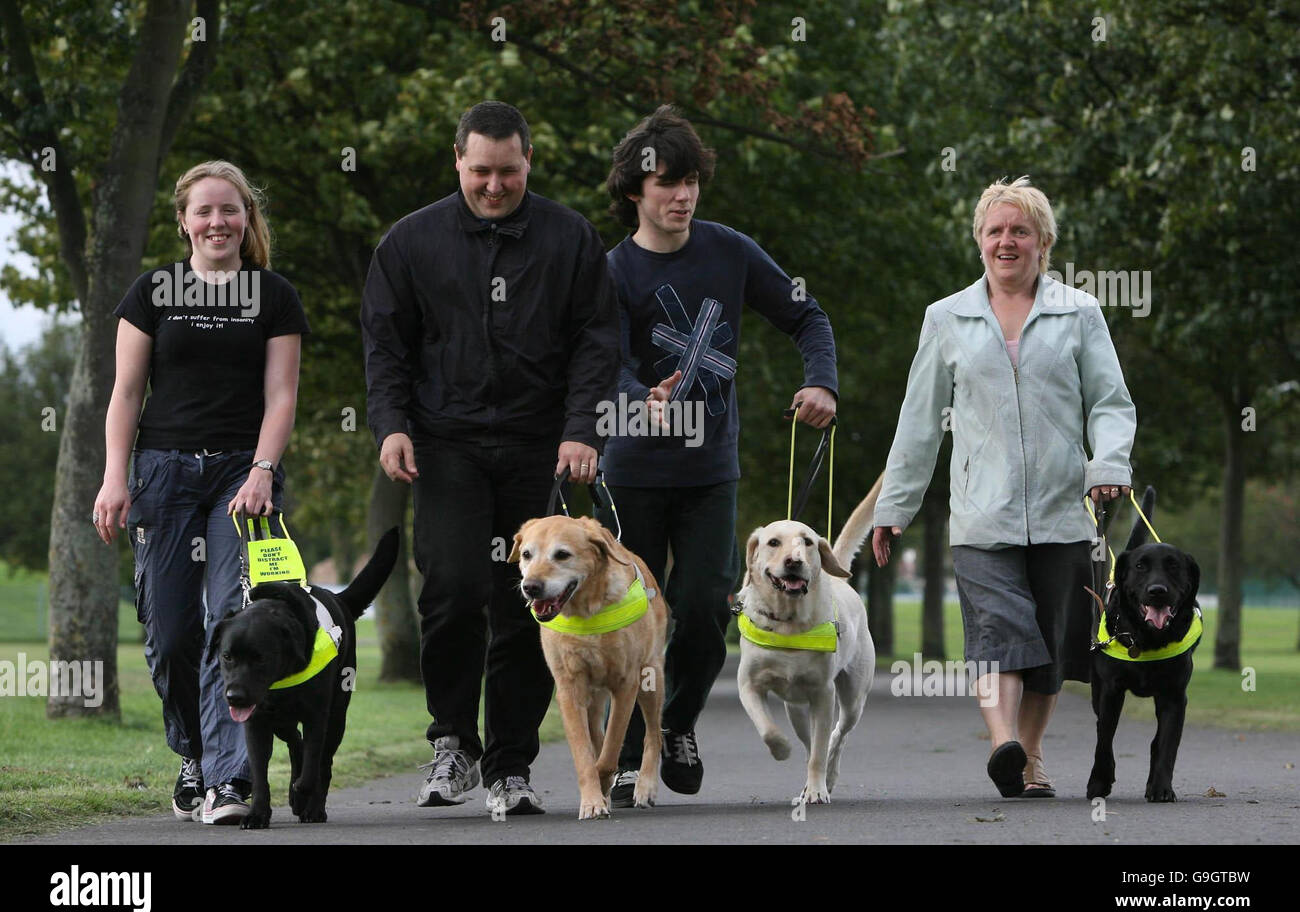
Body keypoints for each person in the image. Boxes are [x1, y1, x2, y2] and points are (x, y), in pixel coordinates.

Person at [362, 101, 619, 816]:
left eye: (508, 171)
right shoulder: (409, 243)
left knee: (534, 600)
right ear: (458, 161)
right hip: (446, 442)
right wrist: (391, 425)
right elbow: (386, 346)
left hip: (543, 444)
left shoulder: (570, 239)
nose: (495, 185)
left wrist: (581, 429)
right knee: (450, 588)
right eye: (481, 171)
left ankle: (510, 763)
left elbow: (598, 340)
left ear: (528, 162)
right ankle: (453, 743)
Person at [598, 106, 838, 805]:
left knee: (703, 604)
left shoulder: (730, 251)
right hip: (632, 471)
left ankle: (674, 724)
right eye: (667, 183)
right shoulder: (610, 270)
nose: (683, 195)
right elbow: (599, 361)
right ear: (635, 193)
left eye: (692, 181)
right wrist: (637, 394)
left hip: (709, 470)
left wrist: (819, 379)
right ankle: (622, 748)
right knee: (632, 620)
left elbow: (806, 314)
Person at [870, 176, 1136, 798]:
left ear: (1044, 242)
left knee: (1049, 648)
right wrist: (895, 507)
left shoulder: (1080, 312)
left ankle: (1032, 756)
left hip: (1063, 513)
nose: (1007, 241)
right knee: (998, 632)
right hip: (980, 518)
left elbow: (1110, 403)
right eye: (995, 231)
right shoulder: (947, 318)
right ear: (979, 242)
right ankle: (1002, 744)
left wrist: (1109, 466)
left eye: (1020, 231)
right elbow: (917, 423)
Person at [93, 160, 309, 824]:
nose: (218, 222)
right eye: (205, 211)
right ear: (184, 220)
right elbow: (127, 393)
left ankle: (227, 780)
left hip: (241, 478)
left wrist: (264, 468)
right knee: (170, 627)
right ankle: (190, 752)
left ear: (247, 219)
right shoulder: (152, 293)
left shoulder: (273, 295)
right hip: (161, 474)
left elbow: (282, 394)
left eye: (231, 210)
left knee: (226, 621)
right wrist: (113, 475)